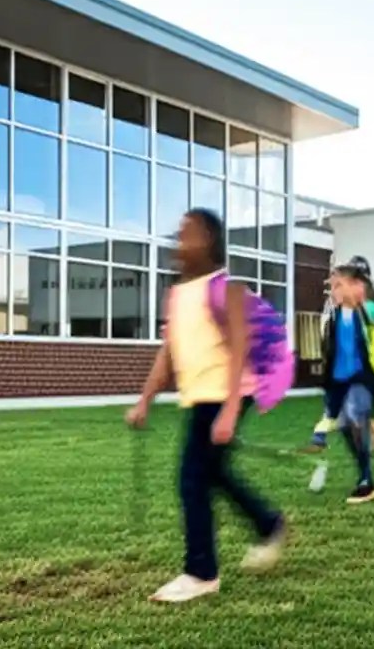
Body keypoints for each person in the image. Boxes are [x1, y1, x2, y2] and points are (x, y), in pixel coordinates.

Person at [125, 208, 286, 603]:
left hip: (224, 395)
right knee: (212, 474)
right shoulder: (179, 294)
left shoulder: (225, 289)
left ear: (209, 241)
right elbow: (169, 351)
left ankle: (201, 572)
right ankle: (269, 524)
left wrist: (231, 409)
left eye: (187, 233)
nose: (178, 241)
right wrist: (145, 399)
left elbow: (239, 348)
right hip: (200, 398)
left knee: (192, 480)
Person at [317, 263, 374, 504]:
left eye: (338, 285)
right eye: (332, 287)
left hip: (365, 381)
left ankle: (366, 480)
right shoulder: (332, 317)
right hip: (340, 383)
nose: (334, 291)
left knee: (353, 412)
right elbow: (329, 354)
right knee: (344, 425)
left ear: (356, 287)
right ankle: (365, 471)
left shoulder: (369, 312)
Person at [302, 257, 374, 454]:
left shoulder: (369, 309)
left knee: (348, 411)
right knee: (342, 408)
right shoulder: (340, 308)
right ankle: (320, 438)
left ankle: (321, 438)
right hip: (344, 368)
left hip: (362, 371)